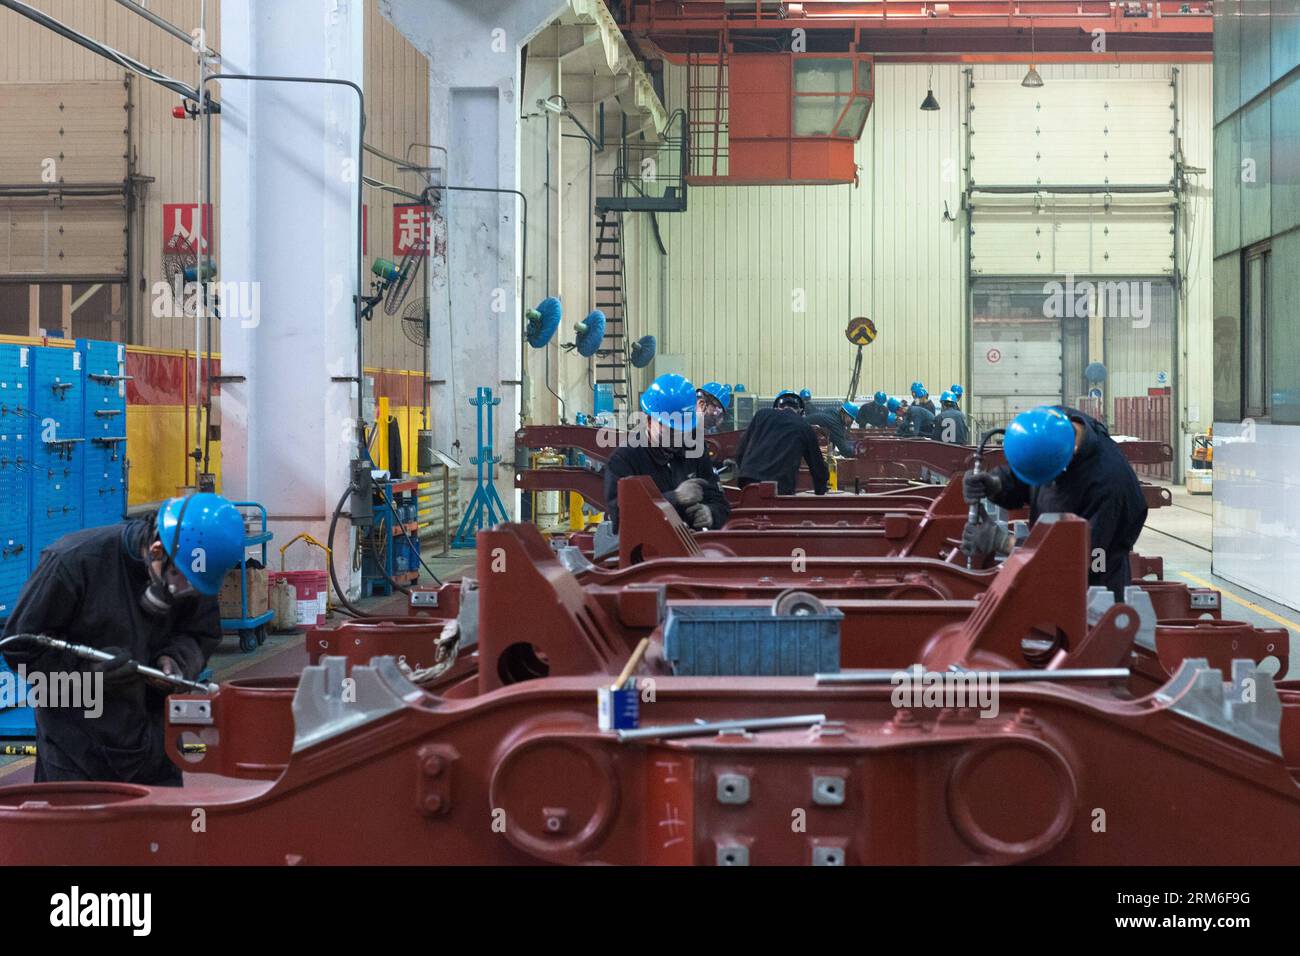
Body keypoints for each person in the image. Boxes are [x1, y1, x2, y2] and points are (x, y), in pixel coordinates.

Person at [1, 493, 245, 785]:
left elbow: (200, 632)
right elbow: (20, 648)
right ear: (157, 550)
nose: (182, 594)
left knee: (158, 829)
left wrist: (176, 662)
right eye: (180, 583)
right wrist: (89, 677)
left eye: (193, 589)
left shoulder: (193, 571)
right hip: (76, 749)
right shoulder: (73, 561)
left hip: (155, 742)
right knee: (80, 830)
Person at [962, 405, 1149, 600]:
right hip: (1046, 581)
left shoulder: (1109, 485)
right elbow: (1030, 477)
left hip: (1093, 596)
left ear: (1070, 456)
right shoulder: (1051, 426)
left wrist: (1005, 543)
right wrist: (997, 484)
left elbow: (1084, 559)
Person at [605, 373, 730, 533]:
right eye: (671, 430)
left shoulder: (694, 449)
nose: (679, 437)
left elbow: (720, 502)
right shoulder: (624, 460)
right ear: (649, 421)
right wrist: (674, 498)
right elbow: (622, 518)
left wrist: (710, 513)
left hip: (693, 548)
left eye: (684, 429)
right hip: (649, 554)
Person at [736, 390, 829, 495]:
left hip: (749, 484)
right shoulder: (804, 426)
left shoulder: (761, 415)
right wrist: (820, 490)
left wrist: (744, 472)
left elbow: (741, 451)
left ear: (776, 408)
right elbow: (817, 465)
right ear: (800, 411)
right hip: (780, 488)